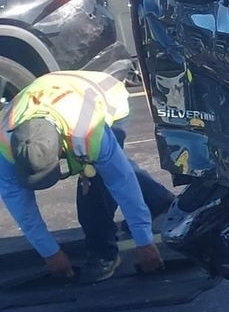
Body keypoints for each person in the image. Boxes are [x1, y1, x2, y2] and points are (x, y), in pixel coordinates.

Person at [0, 70, 172, 282]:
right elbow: (19, 204)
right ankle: (158, 200)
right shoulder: (5, 145)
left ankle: (103, 252)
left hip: (105, 97)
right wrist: (49, 252)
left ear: (62, 150)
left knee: (96, 181)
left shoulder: (88, 132)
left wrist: (144, 241)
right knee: (111, 162)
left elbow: (121, 181)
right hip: (55, 93)